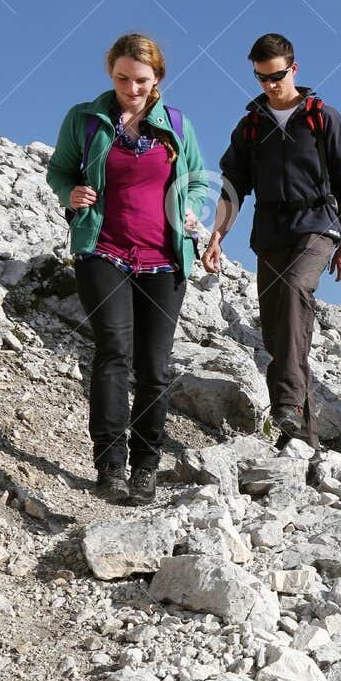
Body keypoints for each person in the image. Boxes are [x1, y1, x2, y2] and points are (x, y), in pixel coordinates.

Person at [45, 33, 213, 504]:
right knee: (114, 350)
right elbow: (60, 170)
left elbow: (198, 178)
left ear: (157, 78)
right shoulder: (85, 119)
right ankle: (110, 465)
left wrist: (191, 209)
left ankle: (145, 466)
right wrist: (71, 195)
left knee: (155, 366)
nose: (130, 88)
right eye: (122, 78)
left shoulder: (176, 124)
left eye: (140, 80)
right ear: (110, 73)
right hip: (103, 249)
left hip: (163, 258)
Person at [202, 33, 341, 448]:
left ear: (293, 68)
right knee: (280, 333)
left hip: (318, 226)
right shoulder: (251, 126)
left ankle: (286, 406)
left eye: (276, 75)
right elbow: (233, 187)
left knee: (294, 290)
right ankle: (302, 442)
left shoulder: (322, 118)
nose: (271, 84)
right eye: (261, 78)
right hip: (270, 232)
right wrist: (217, 236)